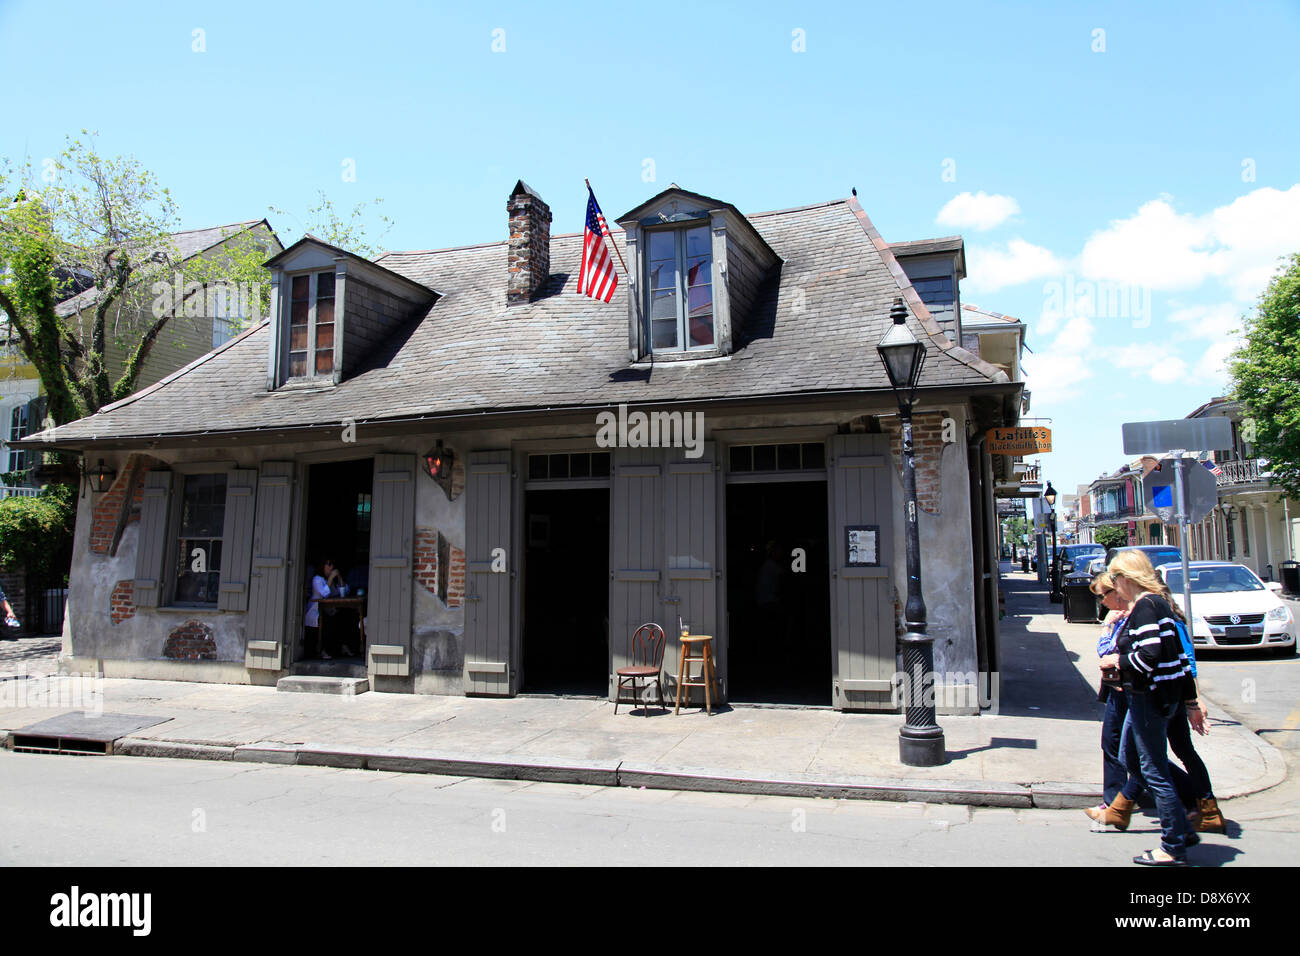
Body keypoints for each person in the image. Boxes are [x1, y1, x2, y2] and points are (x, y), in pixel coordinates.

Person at [1099, 550, 1200, 865]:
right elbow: (1180, 661)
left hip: (1148, 698)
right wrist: (1190, 701)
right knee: (1130, 757)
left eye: (1116, 579)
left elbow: (1151, 654)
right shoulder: (1160, 604)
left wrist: (1117, 661)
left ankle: (1172, 845)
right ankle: (1181, 829)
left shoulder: (1144, 607)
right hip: (1161, 697)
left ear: (1127, 578)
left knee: (1152, 770)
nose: (1115, 586)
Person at [305, 558, 353, 660]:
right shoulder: (317, 579)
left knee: (345, 617)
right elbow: (324, 593)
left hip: (330, 609)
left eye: (332, 565)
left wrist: (339, 578)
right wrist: (330, 578)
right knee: (328, 622)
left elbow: (344, 593)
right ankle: (322, 650)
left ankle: (343, 646)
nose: (331, 567)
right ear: (323, 566)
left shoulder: (333, 581)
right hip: (316, 610)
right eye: (329, 564)